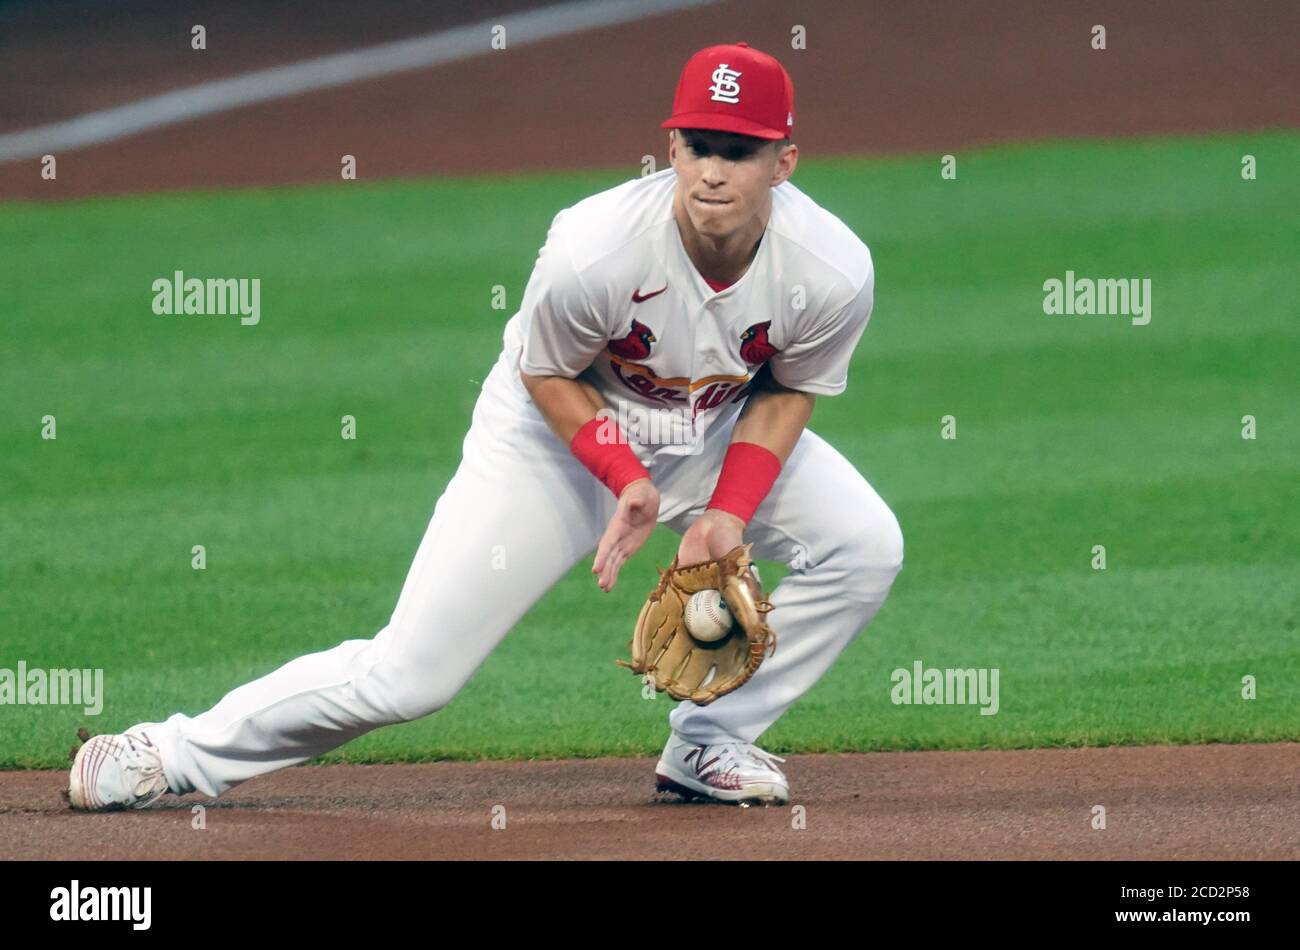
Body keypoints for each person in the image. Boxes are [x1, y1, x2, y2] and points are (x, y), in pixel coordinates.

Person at [68, 41, 903, 811]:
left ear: (784, 162)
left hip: (712, 427)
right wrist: (626, 477)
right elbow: (546, 371)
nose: (714, 171)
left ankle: (711, 741)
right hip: (555, 443)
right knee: (410, 678)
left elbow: (789, 388)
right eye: (698, 145)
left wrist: (725, 510)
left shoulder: (831, 269)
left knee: (864, 544)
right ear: (671, 148)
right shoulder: (595, 248)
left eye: (741, 151)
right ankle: (168, 752)